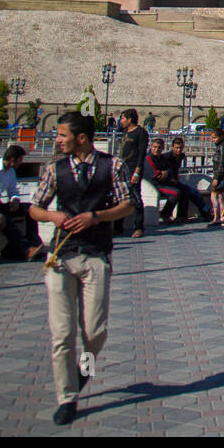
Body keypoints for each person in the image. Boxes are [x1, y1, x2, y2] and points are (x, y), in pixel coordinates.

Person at [28, 111, 134, 425]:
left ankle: (83, 371)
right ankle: (67, 396)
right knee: (62, 334)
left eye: (62, 135)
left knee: (95, 331)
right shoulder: (53, 169)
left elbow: (129, 204)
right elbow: (34, 208)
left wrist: (96, 217)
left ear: (82, 138)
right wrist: (52, 217)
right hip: (61, 257)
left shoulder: (112, 166)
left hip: (96, 255)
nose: (57, 140)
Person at [0, 144, 44, 257]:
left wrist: (15, 200)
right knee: (5, 220)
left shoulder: (11, 172)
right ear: (13, 160)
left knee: (30, 209)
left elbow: (13, 191)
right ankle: (25, 248)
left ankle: (34, 242)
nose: (21, 163)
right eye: (20, 160)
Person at [116, 108, 148, 238]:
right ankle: (118, 227)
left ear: (130, 119)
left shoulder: (140, 133)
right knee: (119, 197)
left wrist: (137, 171)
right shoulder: (124, 131)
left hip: (133, 168)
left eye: (123, 118)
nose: (121, 121)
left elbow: (141, 153)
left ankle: (139, 227)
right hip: (122, 168)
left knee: (135, 197)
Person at [208, 127, 224, 227]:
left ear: (220, 137)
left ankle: (221, 218)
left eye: (214, 138)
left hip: (220, 175)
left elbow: (222, 163)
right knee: (216, 196)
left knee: (219, 196)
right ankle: (218, 217)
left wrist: (217, 178)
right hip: (218, 174)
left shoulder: (223, 146)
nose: (213, 140)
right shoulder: (221, 146)